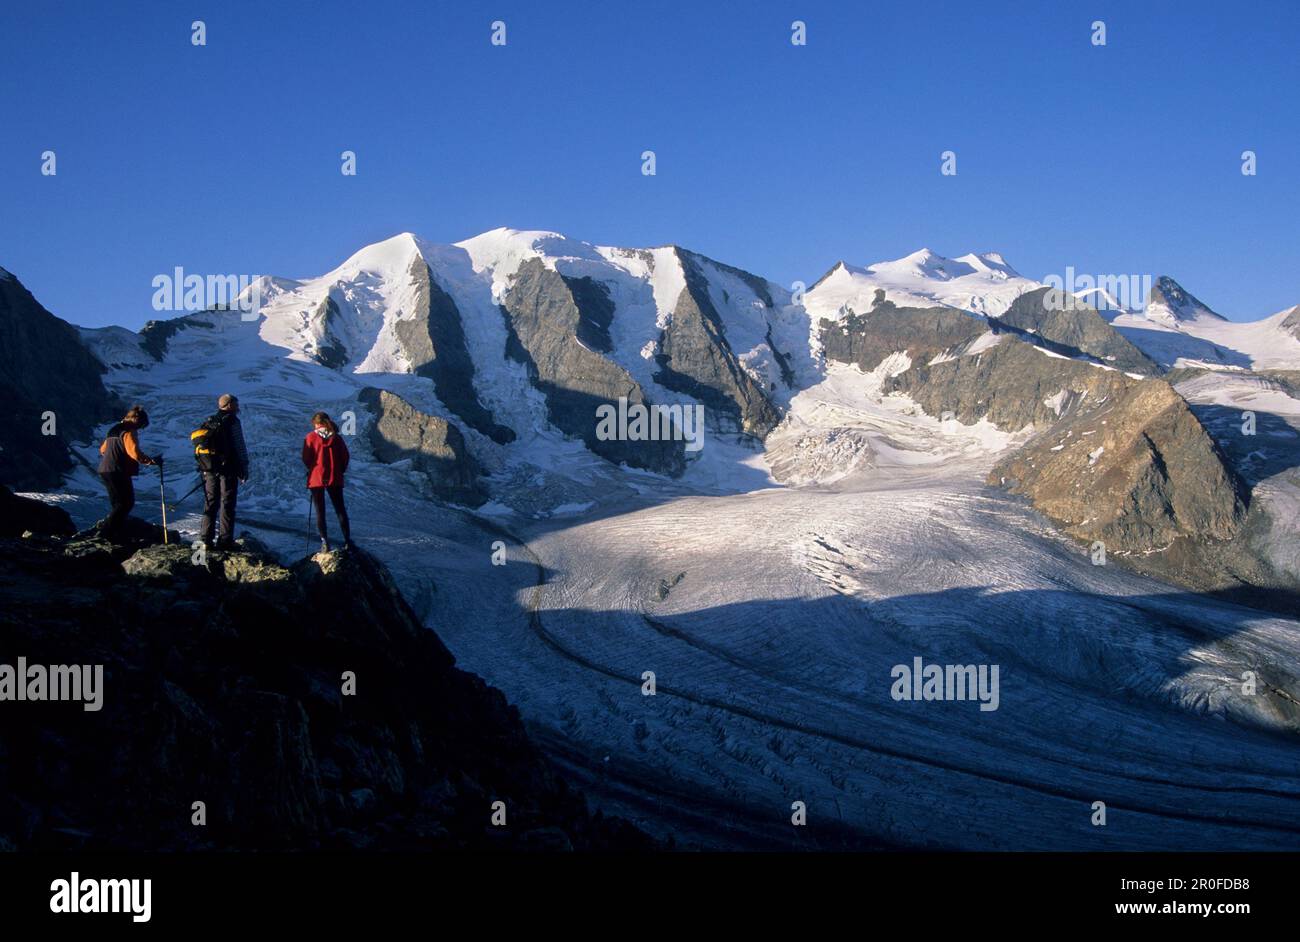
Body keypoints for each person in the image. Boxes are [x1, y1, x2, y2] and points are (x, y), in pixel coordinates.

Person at [96, 404, 162, 542]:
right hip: (118, 470)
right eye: (142, 425)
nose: (140, 428)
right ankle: (105, 533)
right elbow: (134, 453)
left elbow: (103, 450)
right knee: (126, 503)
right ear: (136, 420)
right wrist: (150, 461)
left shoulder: (113, 430)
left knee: (117, 503)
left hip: (105, 470)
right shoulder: (129, 431)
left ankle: (115, 533)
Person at [198, 393, 249, 550]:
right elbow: (239, 445)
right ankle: (225, 540)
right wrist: (243, 467)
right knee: (227, 503)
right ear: (229, 405)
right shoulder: (232, 421)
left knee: (210, 502)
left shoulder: (210, 421)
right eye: (236, 404)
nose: (238, 407)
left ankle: (205, 539)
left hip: (209, 468)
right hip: (228, 468)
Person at [301, 411, 352, 552]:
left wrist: (312, 468)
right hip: (335, 477)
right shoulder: (337, 438)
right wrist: (339, 471)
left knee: (320, 511)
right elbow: (345, 457)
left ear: (316, 424)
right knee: (340, 509)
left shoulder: (310, 437)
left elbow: (306, 458)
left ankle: (325, 542)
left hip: (316, 478)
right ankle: (348, 540)